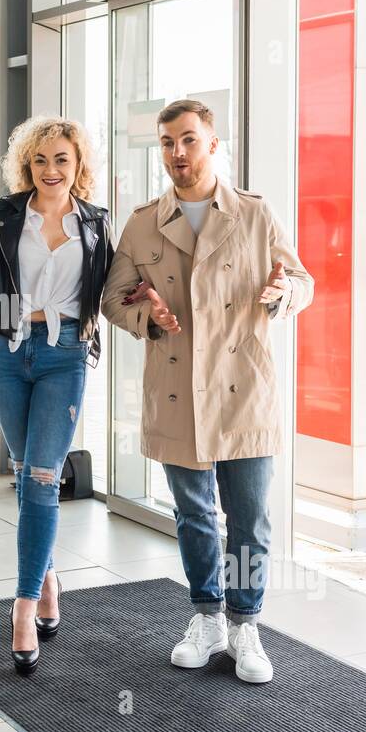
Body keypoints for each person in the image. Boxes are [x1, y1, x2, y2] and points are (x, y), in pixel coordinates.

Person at [101, 99, 313, 684]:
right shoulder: (143, 222)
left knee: (248, 519)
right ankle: (207, 618)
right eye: (167, 143)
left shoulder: (254, 215)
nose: (177, 154)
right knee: (194, 516)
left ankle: (246, 625)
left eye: (189, 141)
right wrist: (146, 314)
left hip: (245, 388)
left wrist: (281, 296)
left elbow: (302, 280)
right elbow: (111, 300)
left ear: (213, 144)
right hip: (175, 389)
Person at [0, 116, 114, 676]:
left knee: (43, 477)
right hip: (14, 356)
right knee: (25, 476)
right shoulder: (4, 214)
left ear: (78, 164)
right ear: (27, 165)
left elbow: (112, 287)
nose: (50, 170)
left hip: (66, 354)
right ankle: (47, 583)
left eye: (61, 159)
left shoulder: (95, 223)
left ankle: (21, 609)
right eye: (40, 160)